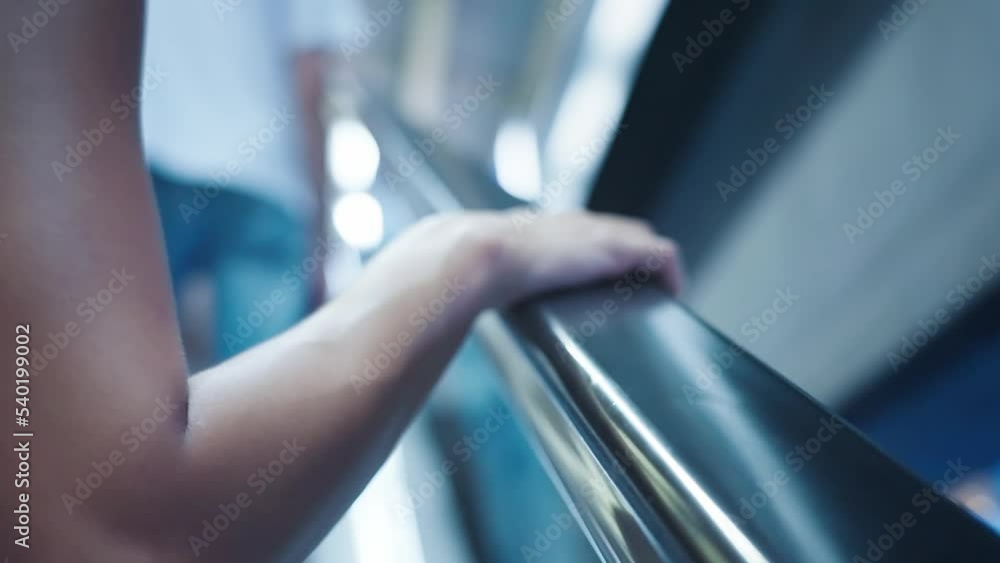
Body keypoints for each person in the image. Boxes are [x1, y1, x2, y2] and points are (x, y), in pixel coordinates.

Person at [0, 1, 682, 562]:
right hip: (266, 192)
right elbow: (109, 528)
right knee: (267, 478)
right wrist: (463, 252)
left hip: (156, 169)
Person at [142, 0, 358, 363]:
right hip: (266, 179)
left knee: (132, 373)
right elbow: (310, 78)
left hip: (157, 162)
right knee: (257, 381)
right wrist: (321, 230)